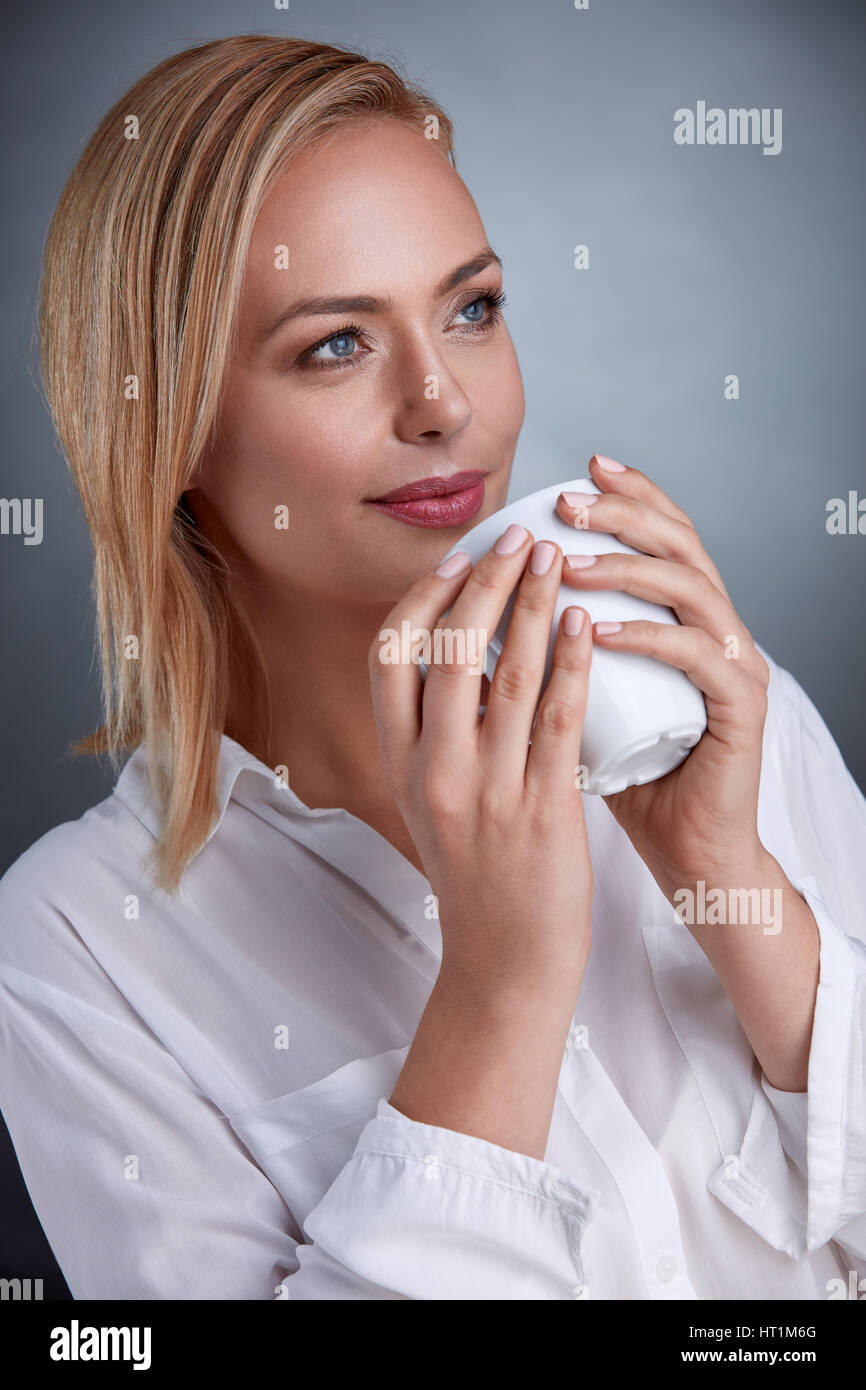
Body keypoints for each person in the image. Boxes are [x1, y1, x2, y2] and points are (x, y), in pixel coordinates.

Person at [0, 33, 863, 1301]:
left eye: (470, 309)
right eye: (334, 345)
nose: (441, 401)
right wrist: (498, 990)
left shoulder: (712, 709)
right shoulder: (72, 945)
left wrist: (731, 883)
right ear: (164, 423)